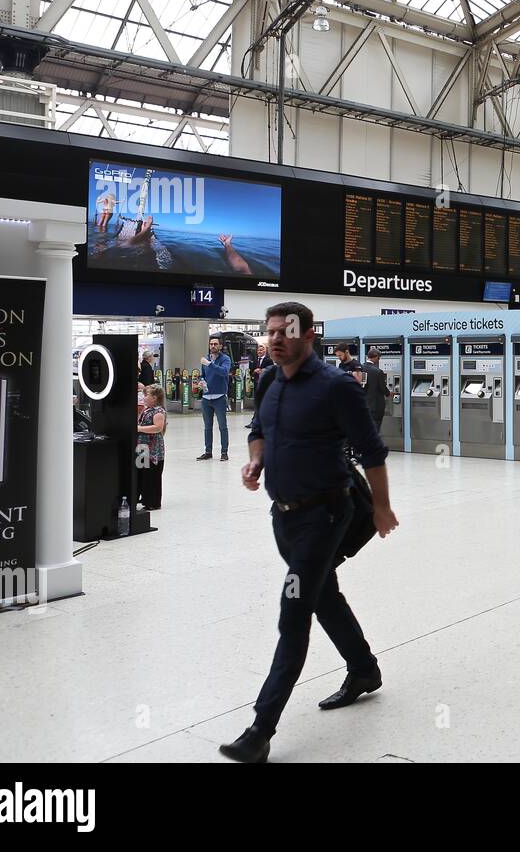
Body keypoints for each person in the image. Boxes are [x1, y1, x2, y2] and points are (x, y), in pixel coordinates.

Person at [220, 301, 398, 764]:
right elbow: (257, 430)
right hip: (284, 517)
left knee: (294, 611)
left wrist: (381, 508)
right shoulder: (267, 381)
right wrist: (256, 459)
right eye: (271, 331)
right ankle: (364, 669)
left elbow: (372, 451)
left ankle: (260, 731)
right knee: (323, 595)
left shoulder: (336, 386)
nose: (276, 338)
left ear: (309, 335)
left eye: (286, 331)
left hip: (326, 515)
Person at [197, 336, 232, 461]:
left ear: (220, 346)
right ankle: (208, 451)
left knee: (222, 426)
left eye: (215, 344)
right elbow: (203, 375)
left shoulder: (225, 359)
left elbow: (223, 372)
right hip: (206, 397)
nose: (213, 346)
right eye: (211, 344)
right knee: (207, 426)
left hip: (219, 397)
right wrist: (201, 381)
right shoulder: (205, 359)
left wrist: (210, 364)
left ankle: (224, 452)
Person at [136, 384, 167, 511]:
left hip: (153, 448)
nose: (144, 397)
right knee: (141, 472)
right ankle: (143, 497)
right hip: (142, 446)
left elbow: (158, 427)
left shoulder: (158, 411)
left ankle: (152, 501)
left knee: (152, 474)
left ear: (154, 398)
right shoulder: (147, 409)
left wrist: (139, 428)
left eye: (146, 395)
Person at [361, 346, 388, 432]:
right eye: (379, 358)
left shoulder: (359, 369)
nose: (378, 360)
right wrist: (389, 393)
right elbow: (383, 389)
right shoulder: (378, 371)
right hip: (375, 407)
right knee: (375, 430)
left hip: (363, 405)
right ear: (376, 357)